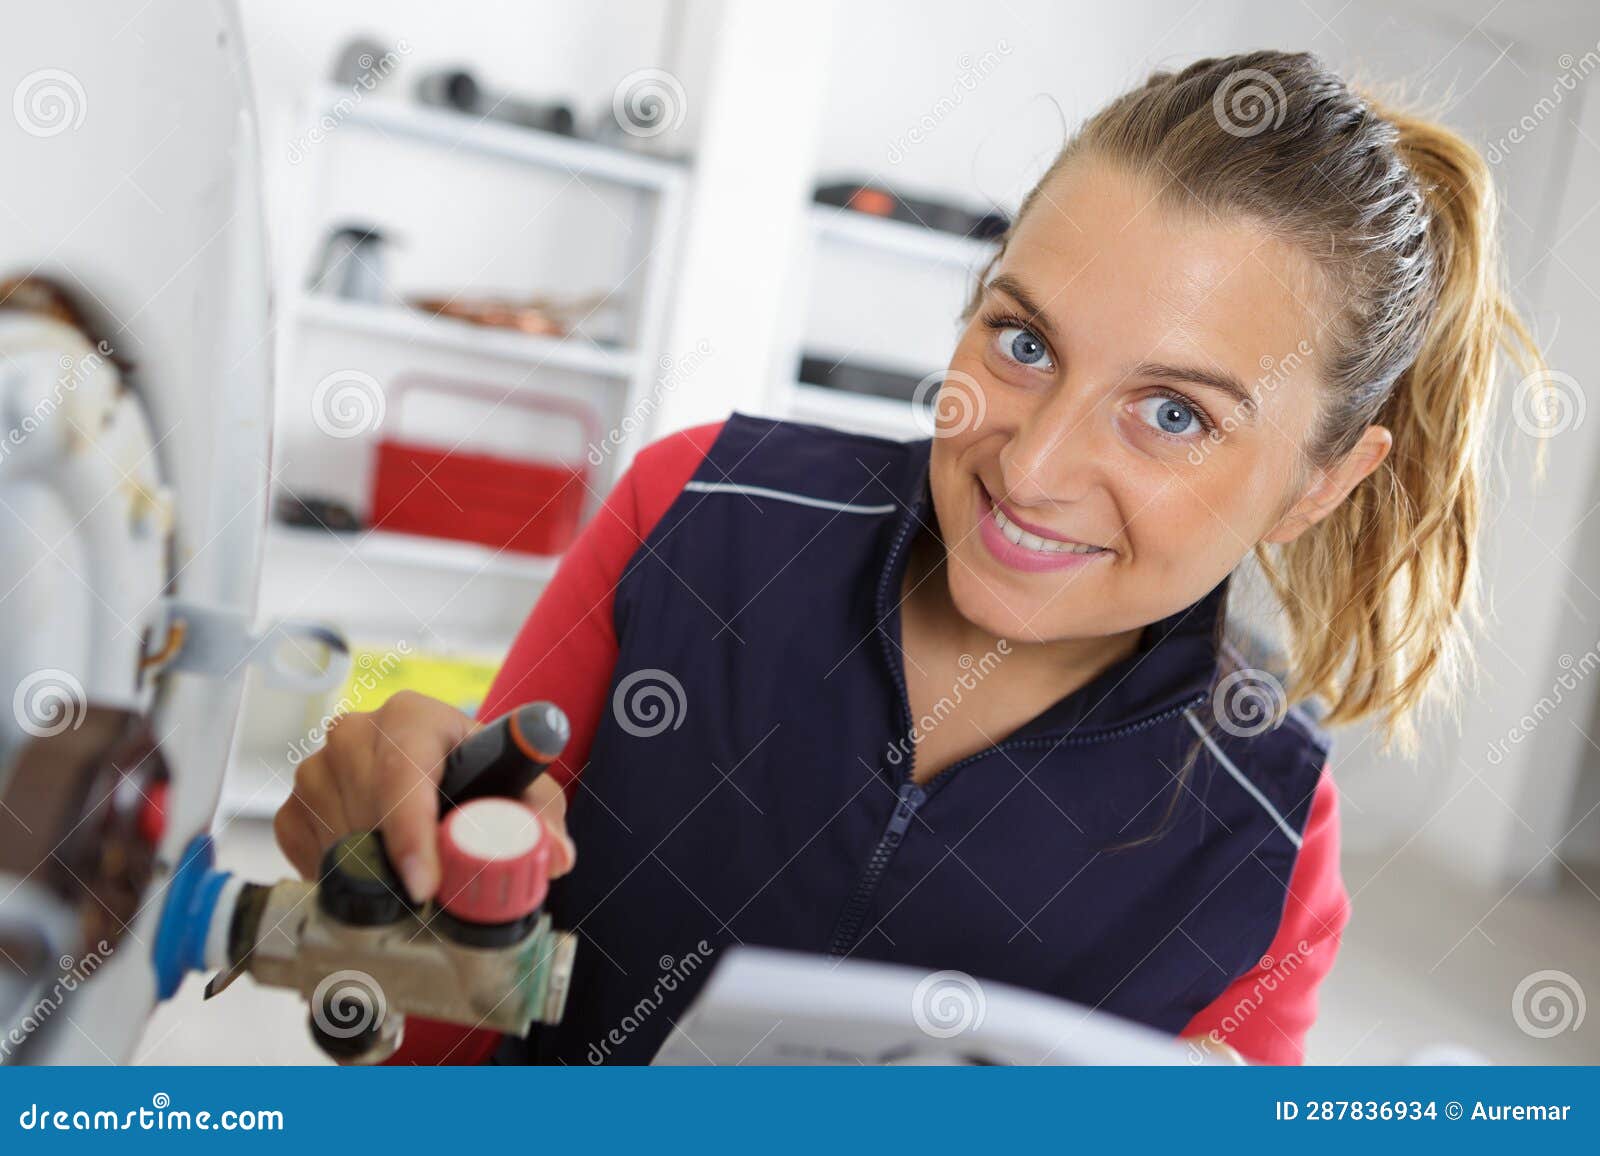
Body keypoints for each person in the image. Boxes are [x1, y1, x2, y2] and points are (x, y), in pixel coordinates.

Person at [274, 50, 1541, 1065]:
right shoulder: (698, 507)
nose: (1030, 467)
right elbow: (427, 1047)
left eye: (1173, 414)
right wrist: (392, 895)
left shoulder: (1266, 834)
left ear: (1318, 483)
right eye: (1023, 342)